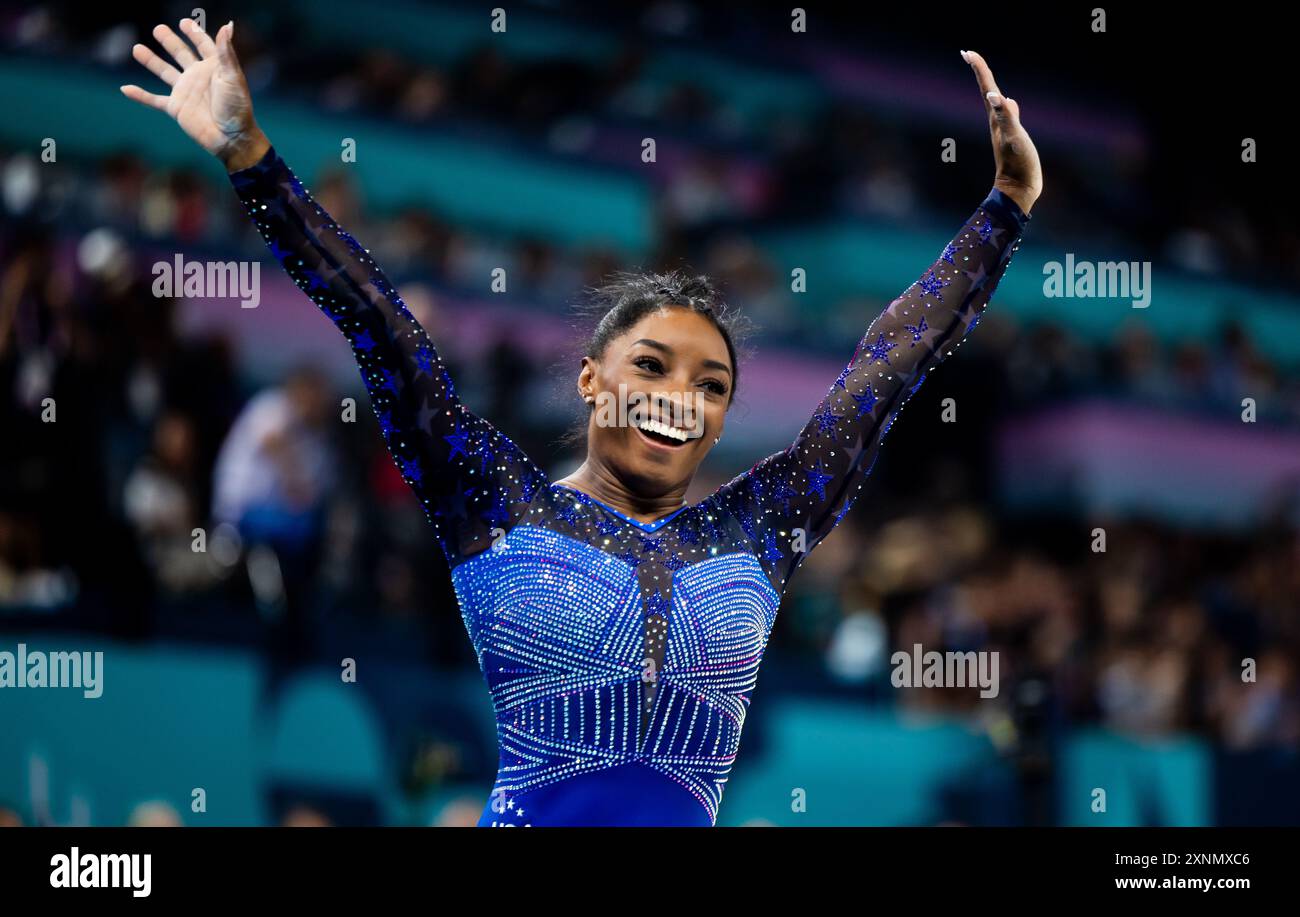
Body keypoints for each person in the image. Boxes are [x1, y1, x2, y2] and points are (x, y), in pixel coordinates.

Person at [123, 20, 1041, 826]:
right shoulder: (497, 505)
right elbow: (380, 325)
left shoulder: (758, 530)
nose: (681, 393)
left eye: (712, 383)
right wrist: (253, 161)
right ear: (592, 383)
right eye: (651, 365)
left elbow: (885, 372)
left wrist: (1004, 211)